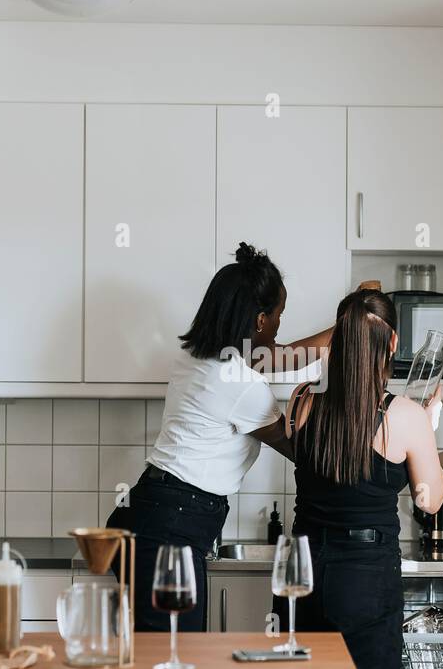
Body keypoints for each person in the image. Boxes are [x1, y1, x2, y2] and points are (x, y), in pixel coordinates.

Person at [104, 243, 333, 631]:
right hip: (172, 526)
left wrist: (347, 324)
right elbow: (300, 450)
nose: (280, 325)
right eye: (279, 315)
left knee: (165, 659)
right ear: (260, 320)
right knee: (174, 661)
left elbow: (283, 355)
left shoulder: (199, 357)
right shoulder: (240, 384)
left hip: (147, 515)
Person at [273, 289, 443, 669]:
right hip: (365, 580)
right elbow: (430, 500)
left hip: (303, 576)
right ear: (392, 342)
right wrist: (429, 429)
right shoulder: (405, 415)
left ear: (339, 340)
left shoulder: (302, 402)